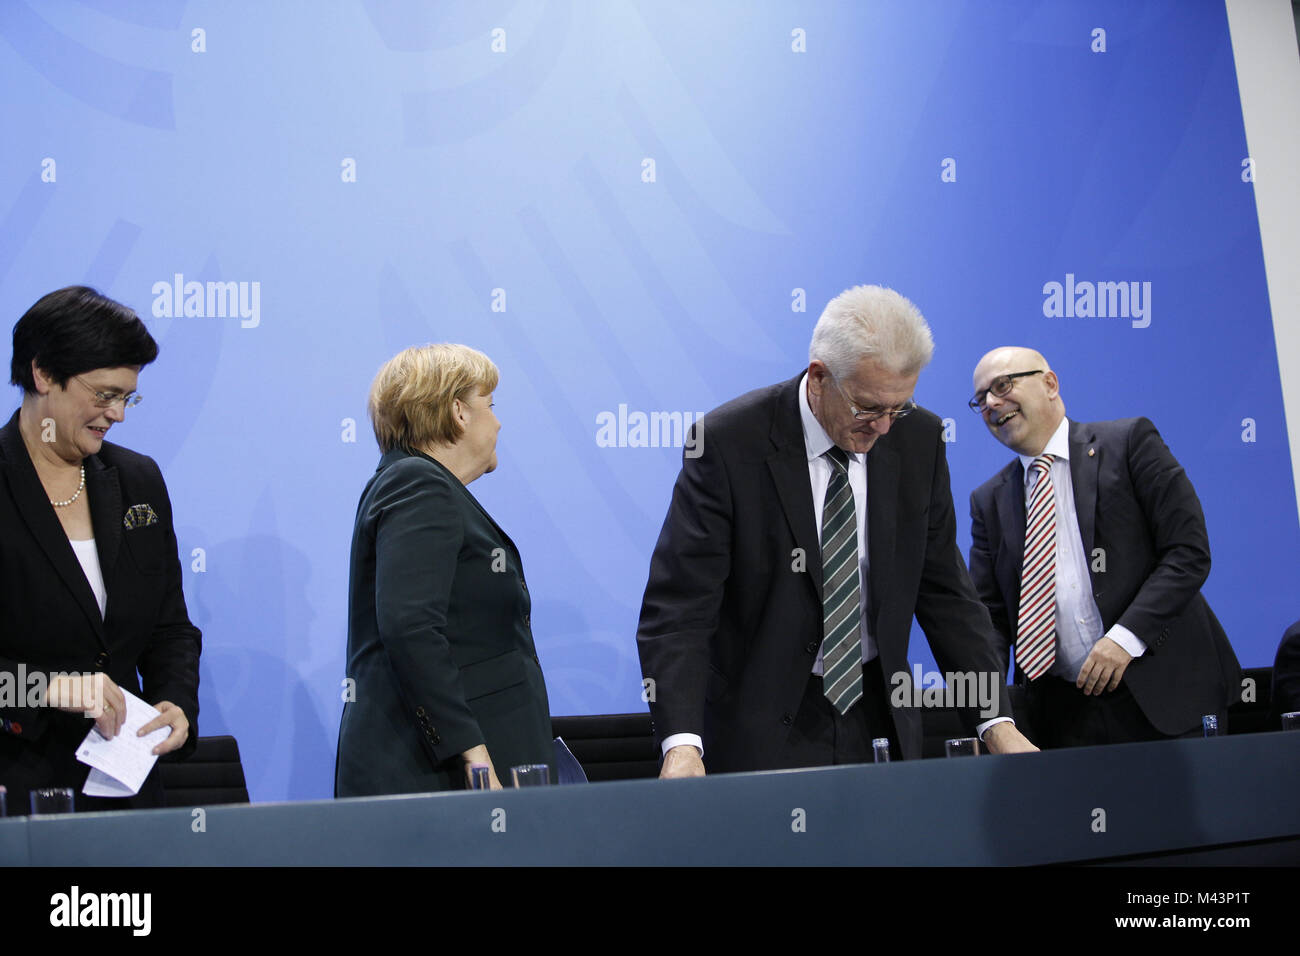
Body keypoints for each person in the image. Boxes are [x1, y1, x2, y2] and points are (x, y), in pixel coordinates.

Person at [636, 285, 1036, 778]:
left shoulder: (920, 440)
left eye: (899, 408)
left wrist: (995, 720)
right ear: (819, 376)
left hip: (878, 714)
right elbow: (680, 608)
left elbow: (947, 594)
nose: (885, 428)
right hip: (759, 723)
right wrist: (681, 744)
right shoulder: (727, 442)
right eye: (869, 408)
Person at [967, 346, 1242, 748]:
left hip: (1166, 698)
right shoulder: (988, 500)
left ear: (1049, 384)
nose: (992, 402)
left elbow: (1187, 552)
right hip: (1063, 721)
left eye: (1003, 385)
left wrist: (1124, 639)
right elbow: (989, 620)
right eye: (980, 399)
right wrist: (993, 718)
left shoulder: (1129, 443)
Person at [0, 286, 200, 811]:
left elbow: (170, 628)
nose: (119, 415)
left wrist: (175, 703)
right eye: (105, 394)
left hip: (128, 789)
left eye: (127, 397)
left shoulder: (138, 479)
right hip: (18, 791)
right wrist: (43, 689)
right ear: (43, 374)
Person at [335, 344, 552, 795]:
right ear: (458, 412)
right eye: (489, 406)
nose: (498, 422)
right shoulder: (418, 483)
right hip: (439, 779)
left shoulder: (416, 483)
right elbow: (410, 626)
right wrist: (473, 756)